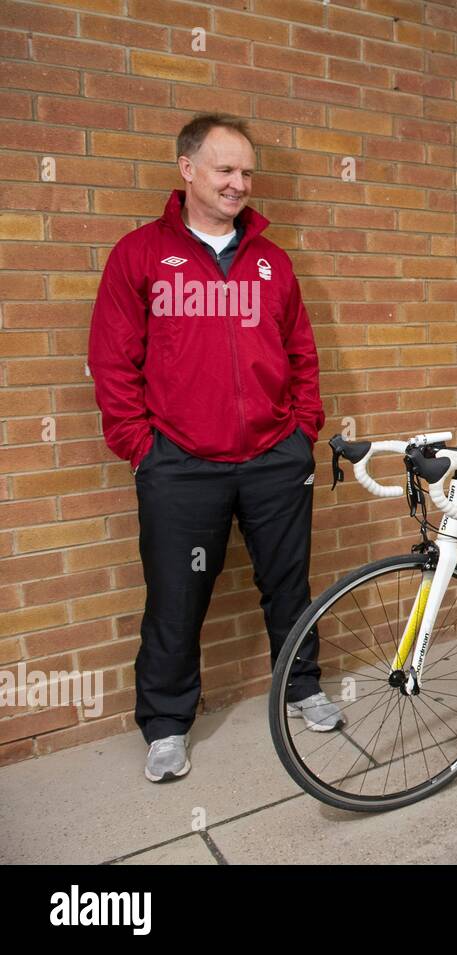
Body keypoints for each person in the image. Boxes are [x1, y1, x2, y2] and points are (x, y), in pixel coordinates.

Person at [88, 114, 337, 783]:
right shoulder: (140, 255)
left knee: (288, 585)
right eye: (226, 169)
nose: (239, 183)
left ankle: (302, 686)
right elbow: (112, 363)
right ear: (187, 168)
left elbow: (302, 354)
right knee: (176, 596)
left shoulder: (271, 261)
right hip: (179, 464)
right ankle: (167, 723)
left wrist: (301, 430)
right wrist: (141, 447)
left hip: (273, 459)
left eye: (247, 172)